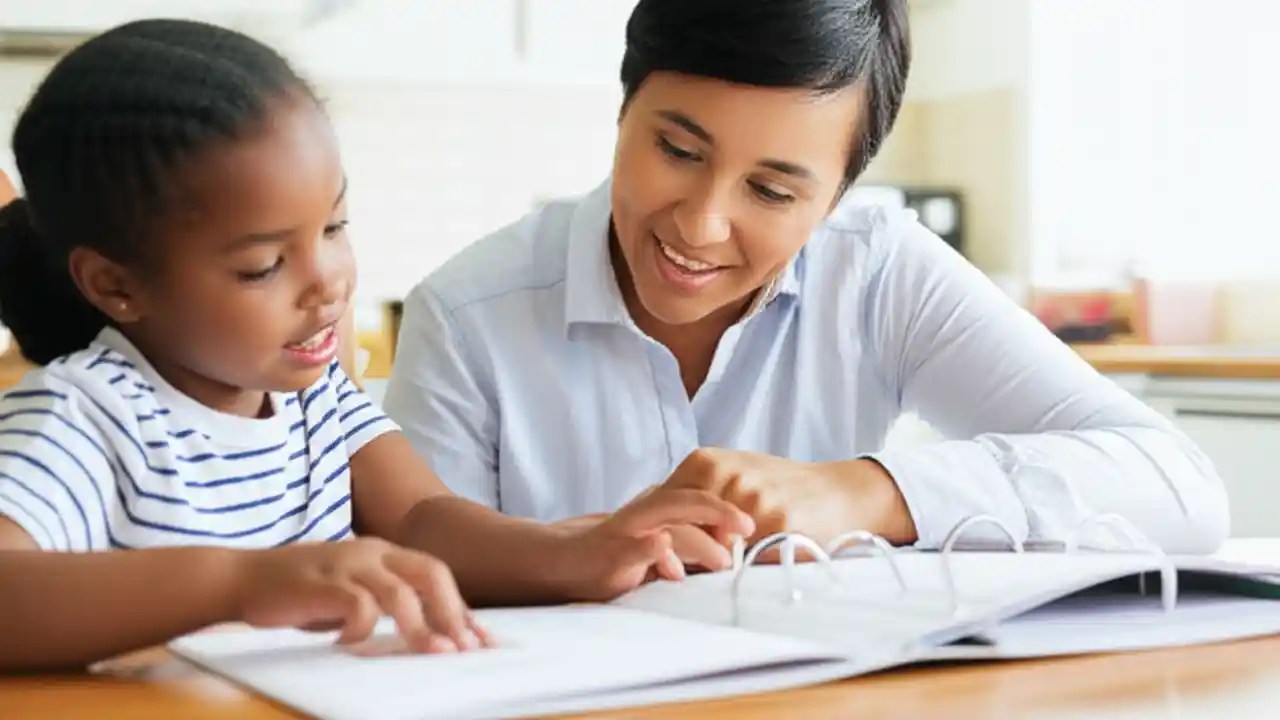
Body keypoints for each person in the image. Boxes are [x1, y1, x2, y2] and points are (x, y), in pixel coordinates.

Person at [0, 19, 751, 672]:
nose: (328, 282)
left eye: (333, 228)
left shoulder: (317, 399)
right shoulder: (86, 417)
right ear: (116, 285)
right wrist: (244, 585)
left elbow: (425, 519)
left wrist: (571, 554)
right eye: (263, 265)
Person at [384, 0, 1228, 564]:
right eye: (676, 151)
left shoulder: (877, 269)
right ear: (623, 107)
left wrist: (866, 490)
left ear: (836, 198)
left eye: (773, 191)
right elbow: (418, 581)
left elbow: (1178, 486)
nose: (701, 225)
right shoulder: (467, 317)